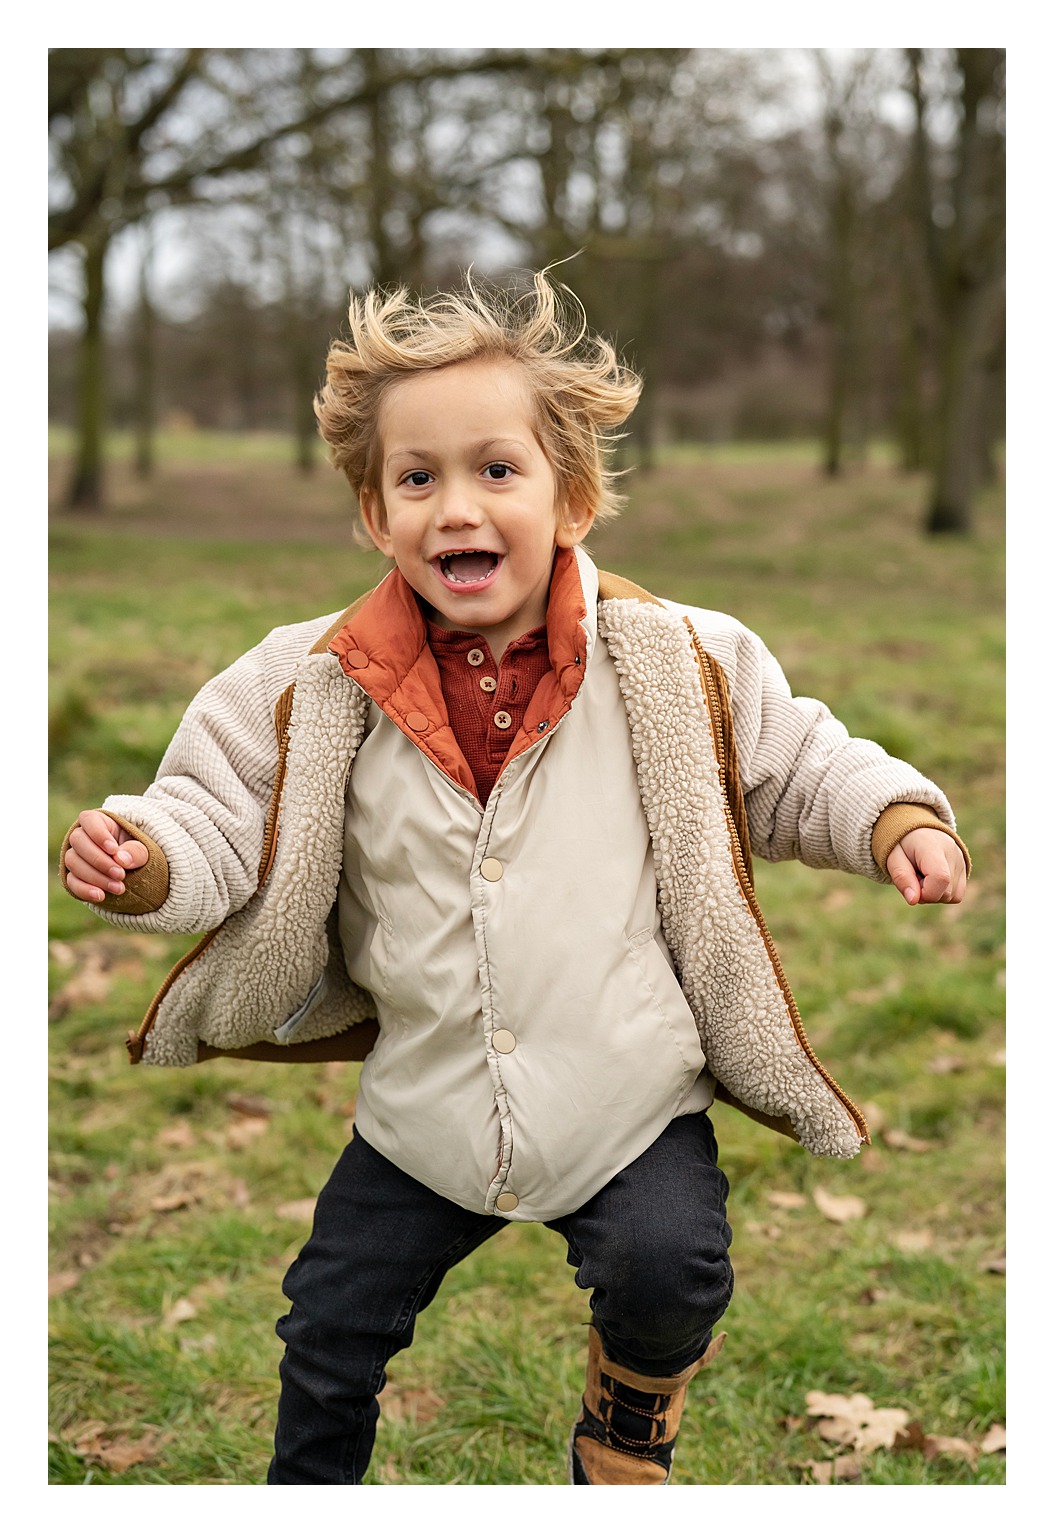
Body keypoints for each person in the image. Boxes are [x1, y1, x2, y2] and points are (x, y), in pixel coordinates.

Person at [60, 270, 969, 1486]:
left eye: (497, 470)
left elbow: (797, 764)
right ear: (376, 516)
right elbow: (215, 814)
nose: (456, 507)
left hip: (625, 1089)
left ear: (570, 498)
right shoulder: (310, 684)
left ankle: (628, 1421)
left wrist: (893, 818)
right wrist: (144, 858)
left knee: (671, 1268)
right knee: (328, 1328)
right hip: (423, 1103)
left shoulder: (674, 659)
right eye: (417, 478)